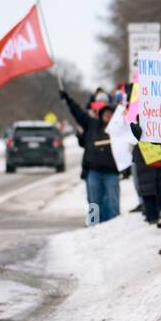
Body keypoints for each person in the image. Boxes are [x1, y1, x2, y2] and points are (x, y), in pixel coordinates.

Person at [60, 85, 120, 223]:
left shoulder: (118, 127)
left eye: (110, 113)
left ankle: (115, 226)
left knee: (112, 202)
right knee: (94, 203)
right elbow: (78, 112)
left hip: (112, 172)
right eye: (104, 113)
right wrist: (68, 99)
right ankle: (93, 226)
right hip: (94, 172)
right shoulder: (92, 124)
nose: (107, 115)